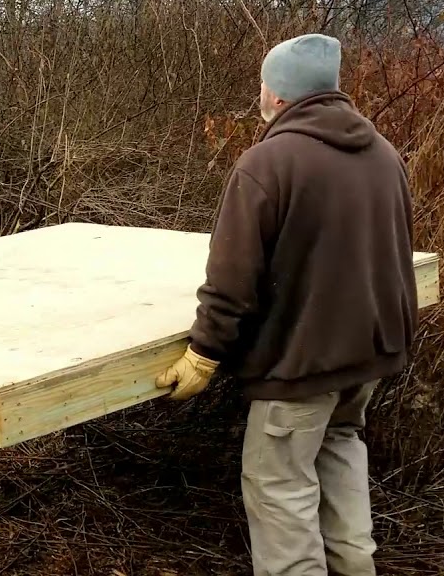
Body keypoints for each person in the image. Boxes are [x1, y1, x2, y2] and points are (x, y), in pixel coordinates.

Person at [156, 33, 418, 575]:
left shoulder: (268, 162)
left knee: (280, 490)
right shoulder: (384, 155)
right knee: (341, 451)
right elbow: (395, 254)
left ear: (277, 95)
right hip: (367, 358)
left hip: (301, 366)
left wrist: (204, 352)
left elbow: (232, 277)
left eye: (262, 83)